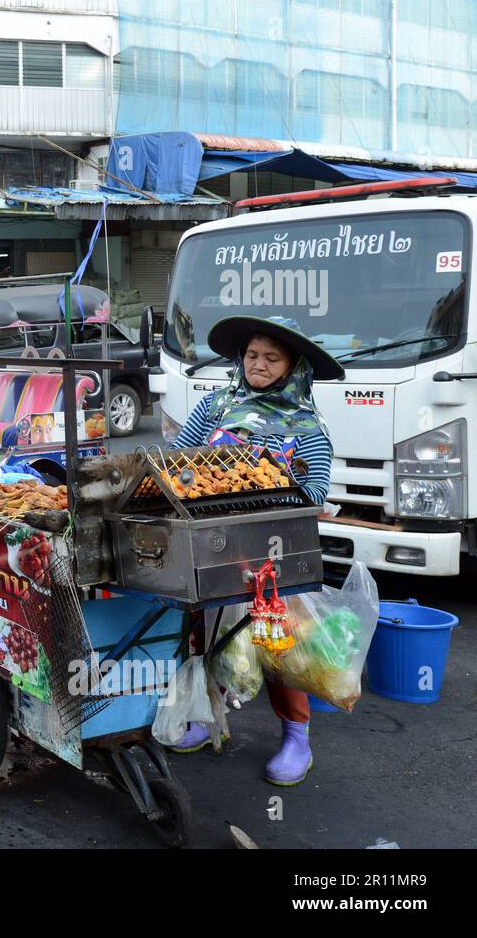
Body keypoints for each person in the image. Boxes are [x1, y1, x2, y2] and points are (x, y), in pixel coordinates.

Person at [168, 315, 342, 786]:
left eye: (271, 358)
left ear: (292, 366)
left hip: (273, 550)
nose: (258, 365)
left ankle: (296, 739)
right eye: (251, 356)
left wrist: (266, 487)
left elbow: (316, 488)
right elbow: (180, 461)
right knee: (204, 635)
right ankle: (206, 719)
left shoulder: (305, 423)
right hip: (211, 543)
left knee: (279, 644)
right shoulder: (217, 404)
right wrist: (196, 482)